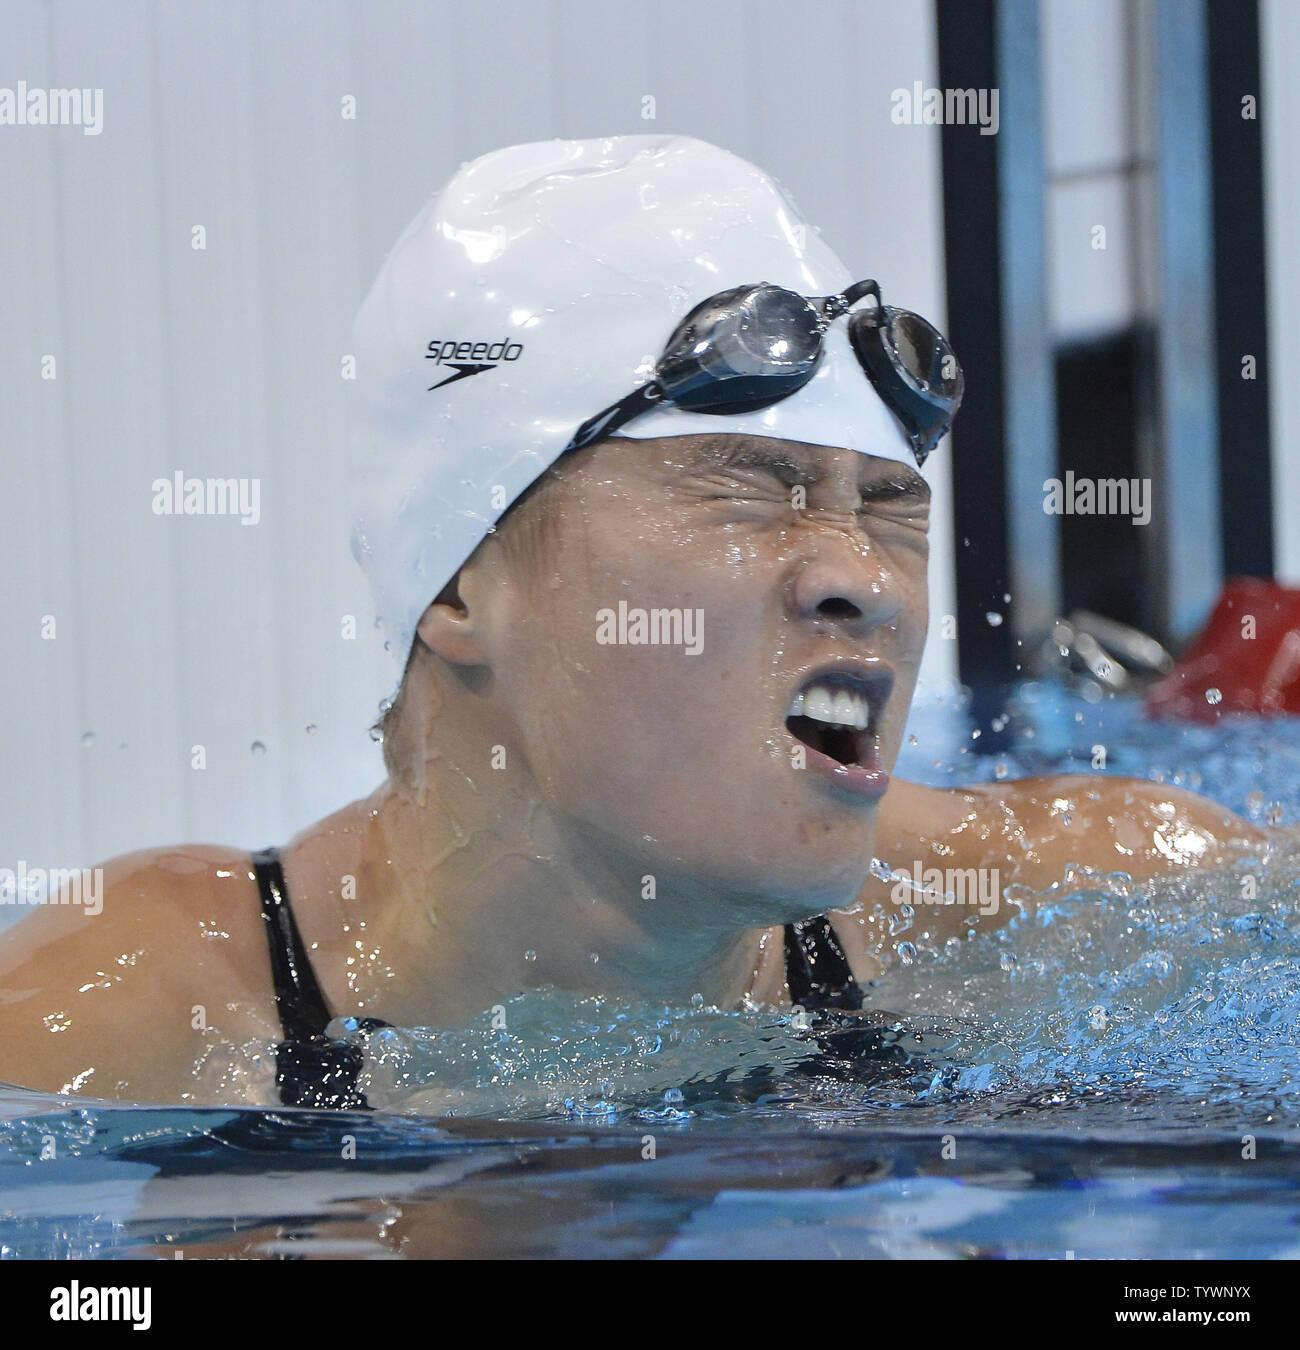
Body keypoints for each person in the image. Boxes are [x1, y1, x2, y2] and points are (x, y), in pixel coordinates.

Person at [0, 135, 1266, 1109]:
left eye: (889, 509)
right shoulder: (135, 1016)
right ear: (457, 588)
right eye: (747, 492)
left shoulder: (1059, 903)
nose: (865, 580)